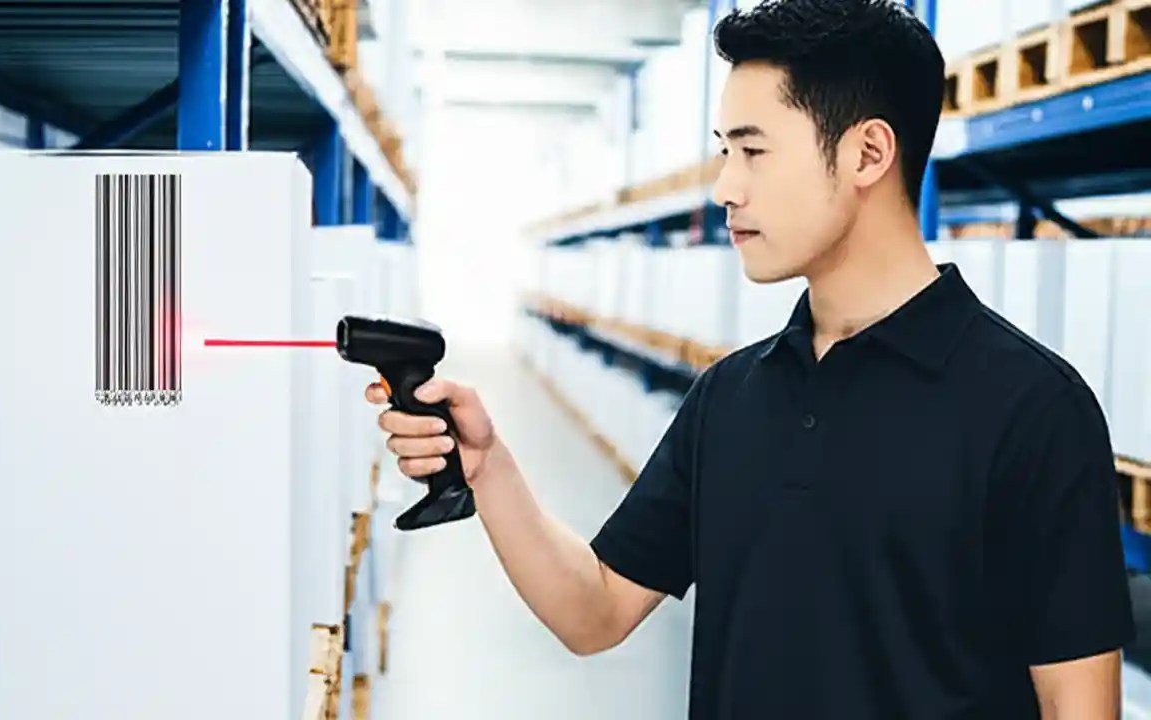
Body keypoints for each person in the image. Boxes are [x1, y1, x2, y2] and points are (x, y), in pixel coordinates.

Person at [365, 0, 1135, 717]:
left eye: (753, 151)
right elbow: (593, 611)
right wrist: (489, 465)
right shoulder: (730, 397)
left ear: (868, 152)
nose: (726, 187)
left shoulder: (1032, 410)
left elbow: (1078, 706)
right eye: (723, 151)